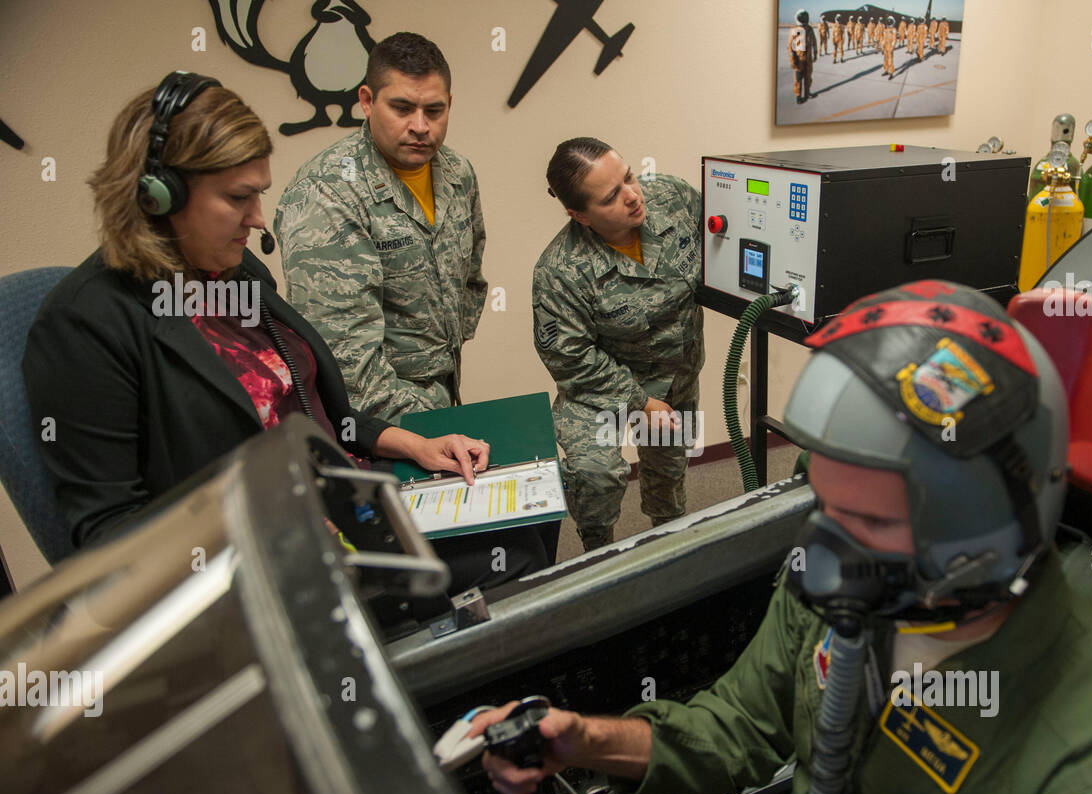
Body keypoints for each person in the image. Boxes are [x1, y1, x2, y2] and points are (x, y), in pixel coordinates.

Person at [473, 282, 1092, 794]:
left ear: (983, 532)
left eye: (873, 523)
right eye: (827, 504)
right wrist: (583, 741)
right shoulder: (844, 587)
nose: (824, 548)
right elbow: (737, 728)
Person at [24, 72, 544, 591]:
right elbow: (106, 535)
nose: (259, 220)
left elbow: (313, 411)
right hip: (272, 573)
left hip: (350, 505)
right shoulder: (86, 325)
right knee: (516, 557)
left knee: (531, 513)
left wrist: (410, 444)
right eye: (238, 198)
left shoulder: (235, 271)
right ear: (158, 196)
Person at [275, 32, 486, 421]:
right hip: (369, 420)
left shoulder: (457, 173)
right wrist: (430, 426)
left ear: (450, 105)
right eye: (402, 108)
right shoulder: (327, 191)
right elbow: (343, 357)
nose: (420, 126)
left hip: (443, 392)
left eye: (434, 111)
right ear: (367, 101)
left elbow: (471, 281)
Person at [532, 139, 704, 553]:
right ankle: (597, 555)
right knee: (597, 477)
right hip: (598, 390)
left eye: (628, 176)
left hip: (672, 376)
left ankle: (670, 548)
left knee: (668, 472)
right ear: (580, 215)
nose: (632, 195)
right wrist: (639, 402)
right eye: (611, 196)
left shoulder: (672, 198)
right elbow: (569, 357)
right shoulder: (560, 269)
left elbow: (724, 236)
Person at [787, 9, 817, 104]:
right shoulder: (795, 30)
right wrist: (792, 59)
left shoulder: (809, 29)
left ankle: (807, 93)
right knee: (799, 79)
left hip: (808, 58)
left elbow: (814, 41)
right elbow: (790, 46)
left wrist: (815, 52)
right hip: (799, 59)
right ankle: (798, 96)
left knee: (808, 77)